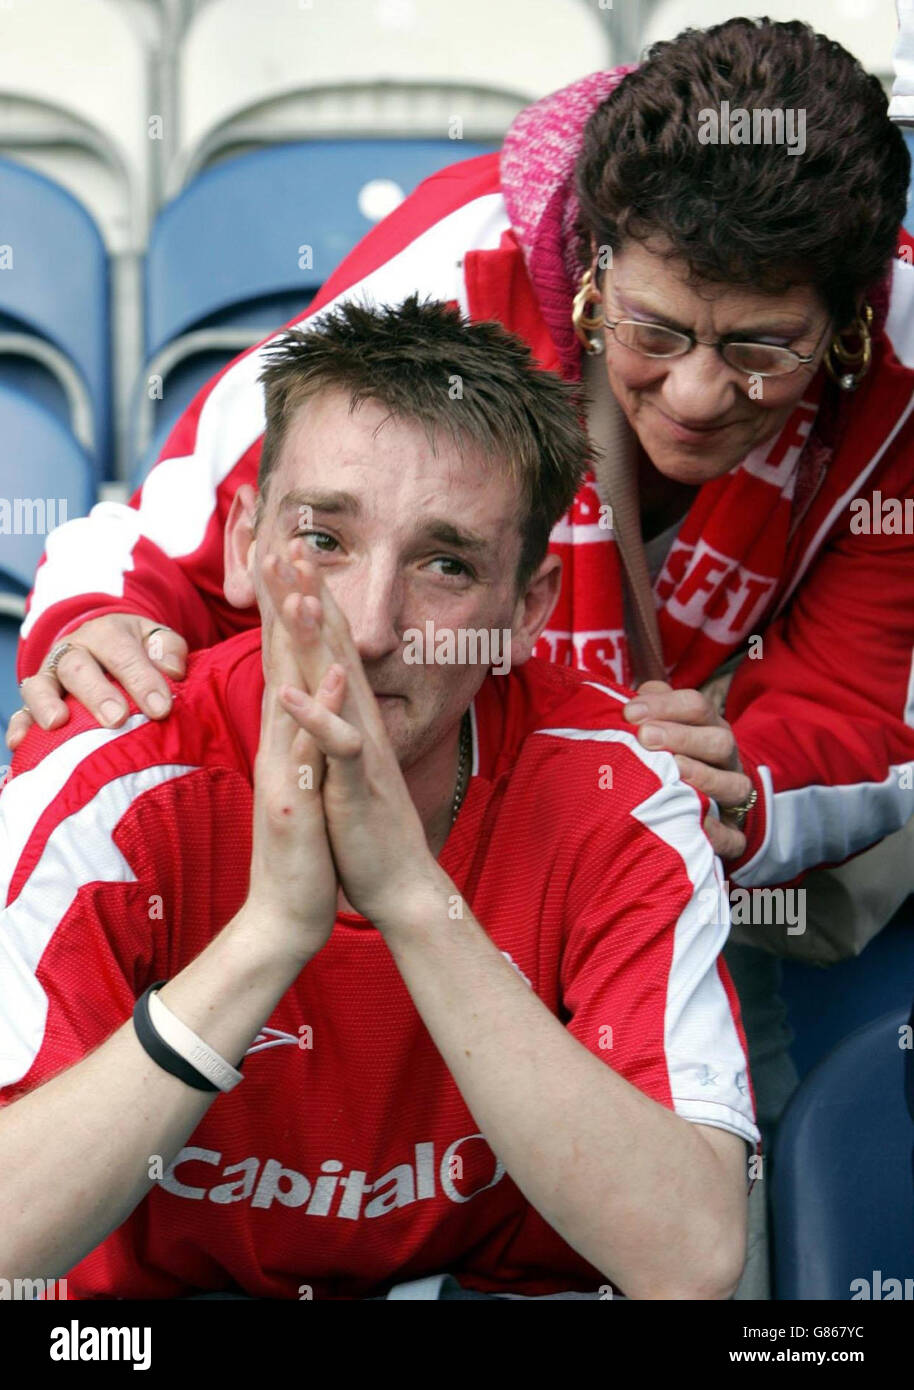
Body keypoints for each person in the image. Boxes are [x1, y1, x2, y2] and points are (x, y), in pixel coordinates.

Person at [7, 15, 914, 1219]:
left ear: (849, 316)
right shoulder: (454, 271)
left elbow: (866, 697)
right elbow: (222, 508)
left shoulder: (900, 358)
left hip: (648, 851)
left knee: (735, 1175)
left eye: (762, 347)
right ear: (589, 265)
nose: (696, 393)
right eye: (652, 331)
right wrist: (93, 625)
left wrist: (751, 780)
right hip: (404, 806)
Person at [0, 298, 757, 1300]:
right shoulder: (107, 774)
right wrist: (271, 931)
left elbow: (692, 1259)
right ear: (239, 544)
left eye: (446, 564)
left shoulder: (620, 791)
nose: (367, 628)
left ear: (526, 612)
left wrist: (407, 891)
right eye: (323, 538)